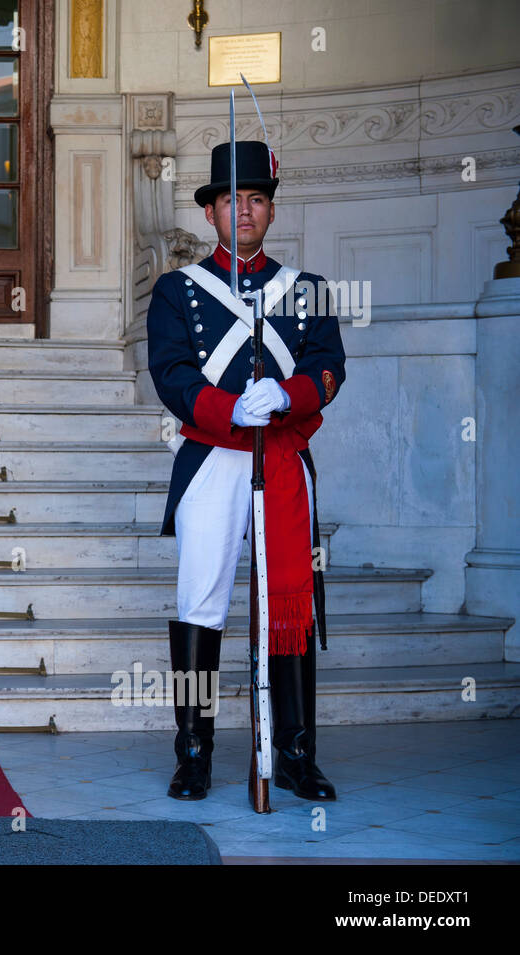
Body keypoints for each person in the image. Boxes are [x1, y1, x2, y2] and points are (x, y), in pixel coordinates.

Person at [146, 140, 345, 802]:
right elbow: (171, 375)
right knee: (200, 603)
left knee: (287, 610)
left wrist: (289, 396)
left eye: (257, 199)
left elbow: (329, 365)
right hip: (212, 459)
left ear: (271, 210)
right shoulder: (177, 291)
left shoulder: (307, 290)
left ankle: (293, 751)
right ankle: (195, 750)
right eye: (232, 199)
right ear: (211, 213)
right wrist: (235, 407)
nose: (246, 211)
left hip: (283, 461)